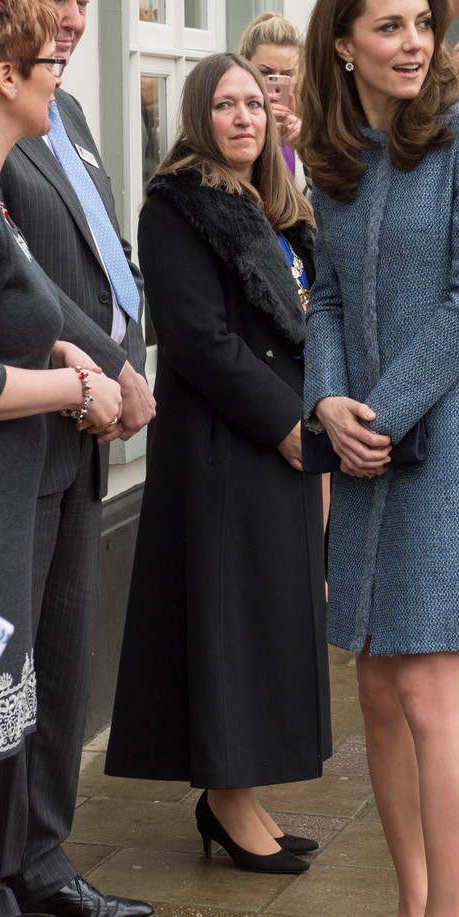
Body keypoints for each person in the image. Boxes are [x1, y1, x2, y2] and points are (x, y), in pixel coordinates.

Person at [299, 0, 459, 917]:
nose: (413, 42)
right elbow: (327, 302)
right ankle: (412, 915)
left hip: (449, 445)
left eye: (422, 23)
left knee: (433, 695)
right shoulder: (334, 156)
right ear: (342, 45)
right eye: (386, 26)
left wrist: (373, 415)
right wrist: (326, 401)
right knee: (379, 688)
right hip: (367, 450)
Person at [0, 0, 156, 917]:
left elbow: (99, 250)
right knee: (1, 679)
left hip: (79, 431)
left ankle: (40, 859)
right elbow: (21, 284)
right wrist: (101, 373)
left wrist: (123, 360)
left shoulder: (69, 107)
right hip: (19, 445)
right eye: (62, 0)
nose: (79, 20)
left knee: (55, 669)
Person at [104, 54, 331, 873]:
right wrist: (284, 424)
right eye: (226, 105)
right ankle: (227, 800)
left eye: (255, 104)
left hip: (286, 436)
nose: (244, 118)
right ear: (199, 116)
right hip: (226, 448)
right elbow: (198, 340)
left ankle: (243, 793)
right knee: (233, 625)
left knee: (271, 622)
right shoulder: (177, 205)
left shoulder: (278, 205)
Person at [238, 10, 308, 191]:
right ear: (245, 66)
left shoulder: (309, 125)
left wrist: (308, 153)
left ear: (298, 74)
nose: (277, 83)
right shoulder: (227, 119)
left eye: (287, 74)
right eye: (266, 72)